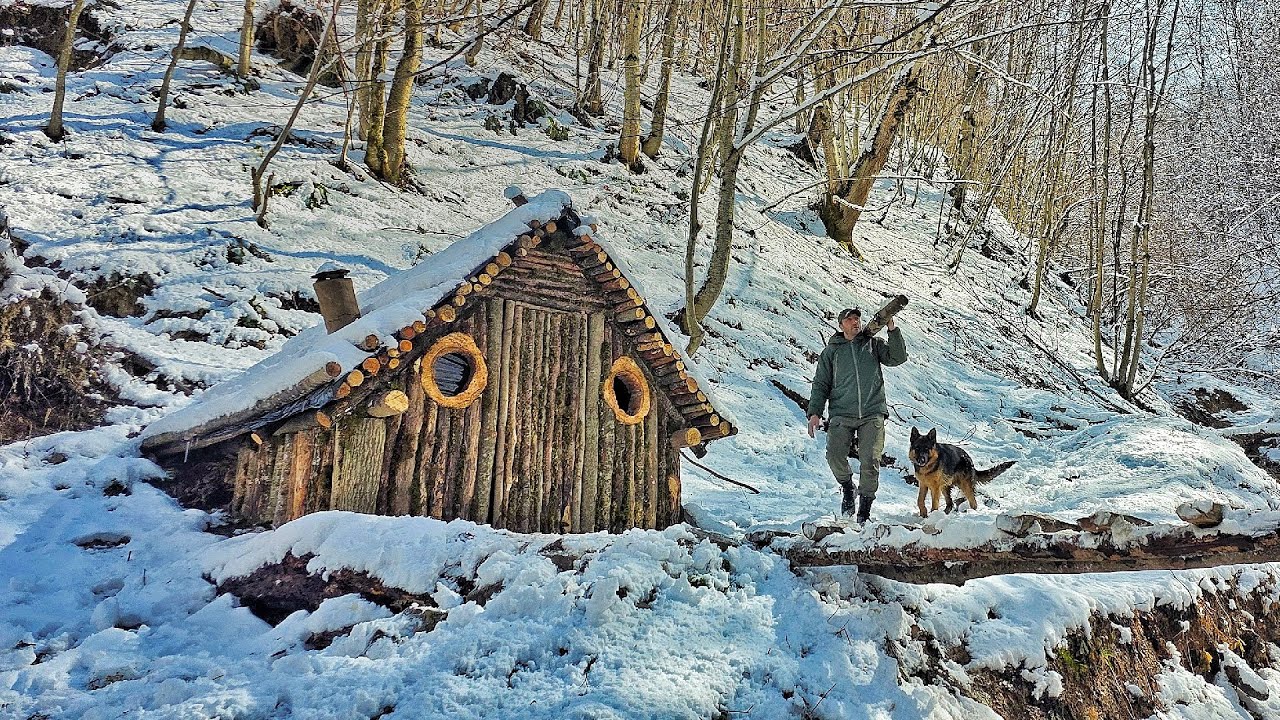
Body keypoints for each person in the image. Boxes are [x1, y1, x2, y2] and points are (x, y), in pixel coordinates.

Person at [807, 306, 908, 523]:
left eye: (858, 319)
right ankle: (847, 488)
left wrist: (892, 329)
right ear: (841, 324)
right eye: (850, 319)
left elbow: (898, 357)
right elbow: (821, 384)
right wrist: (814, 412)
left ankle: (864, 510)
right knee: (834, 456)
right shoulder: (831, 352)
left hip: (873, 413)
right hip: (841, 413)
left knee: (870, 460)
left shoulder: (872, 344)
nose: (856, 322)